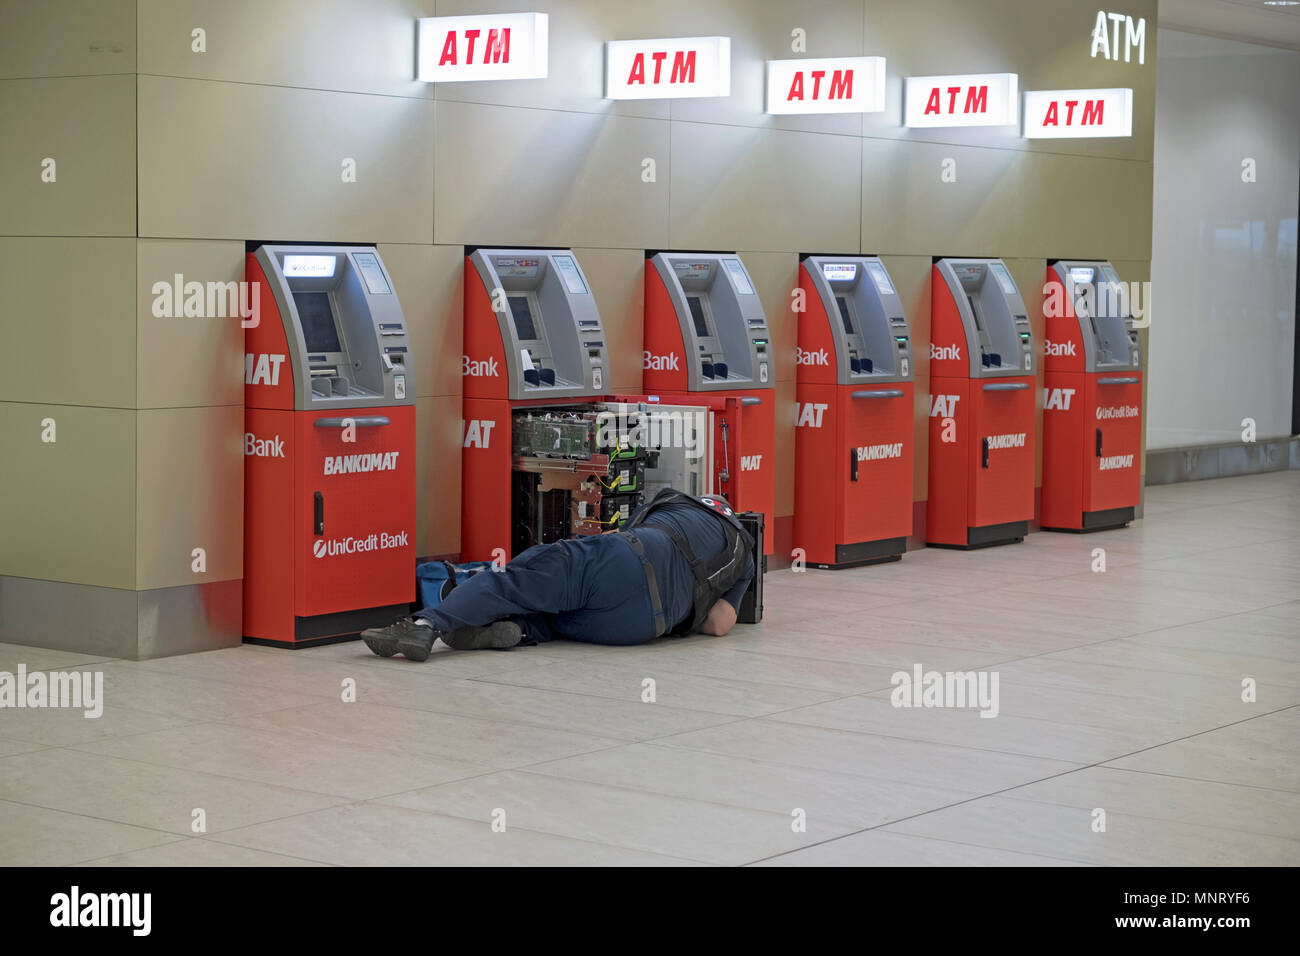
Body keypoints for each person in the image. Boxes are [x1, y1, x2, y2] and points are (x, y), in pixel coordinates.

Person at [361, 488, 756, 661]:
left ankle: (425, 626)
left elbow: (623, 539)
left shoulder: (674, 500)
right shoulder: (744, 553)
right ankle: (517, 632)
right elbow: (720, 624)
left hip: (624, 561)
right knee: (557, 618)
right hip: (641, 627)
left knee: (515, 581)